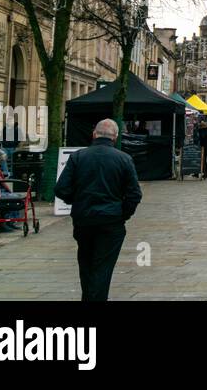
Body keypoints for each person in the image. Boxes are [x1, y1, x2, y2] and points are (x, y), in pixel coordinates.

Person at [54, 119, 143, 301]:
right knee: (103, 266)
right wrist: (123, 213)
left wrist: (77, 202)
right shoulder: (124, 159)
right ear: (115, 137)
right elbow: (134, 194)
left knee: (86, 262)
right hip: (111, 220)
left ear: (94, 134)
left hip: (84, 219)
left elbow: (61, 188)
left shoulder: (78, 157)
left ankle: (89, 297)